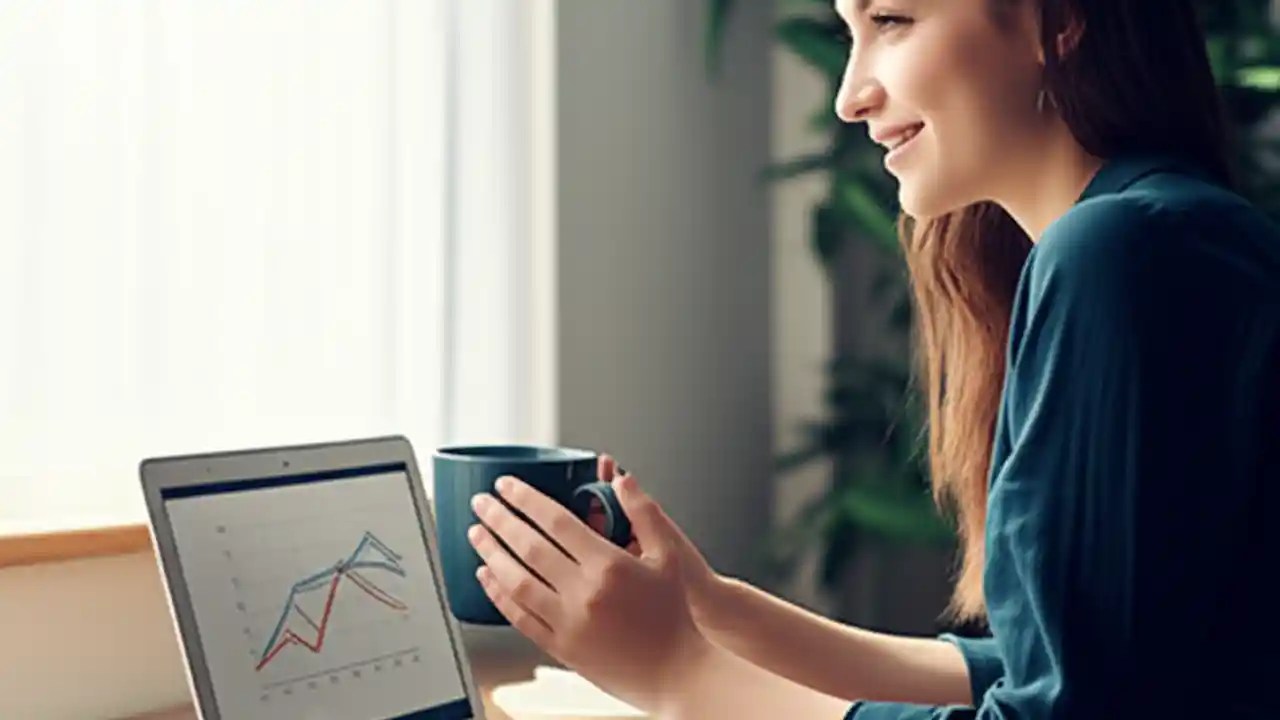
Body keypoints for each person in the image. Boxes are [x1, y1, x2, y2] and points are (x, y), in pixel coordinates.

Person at [464, 0, 1280, 716]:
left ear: (1058, 20)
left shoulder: (1121, 252)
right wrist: (717, 613)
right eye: (849, 33)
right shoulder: (1165, 235)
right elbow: (1083, 678)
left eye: (891, 21)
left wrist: (679, 677)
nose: (851, 96)